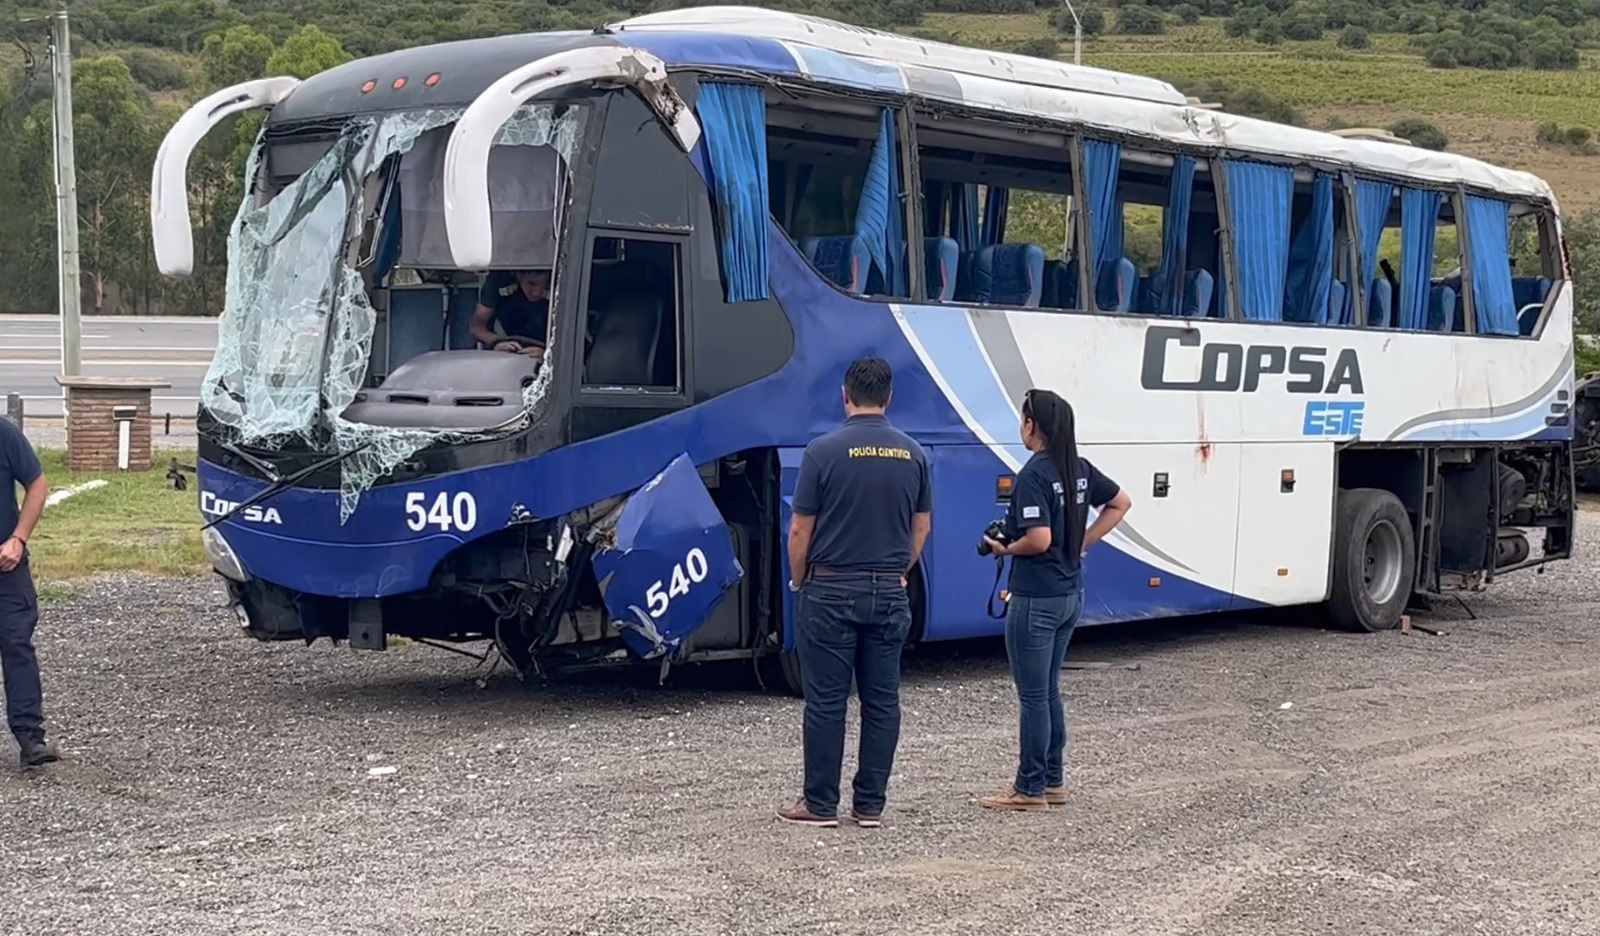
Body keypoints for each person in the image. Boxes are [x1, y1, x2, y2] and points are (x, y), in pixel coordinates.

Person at [778, 357, 932, 829]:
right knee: (882, 701)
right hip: (888, 591)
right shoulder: (914, 454)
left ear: (845, 396)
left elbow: (800, 530)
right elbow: (921, 525)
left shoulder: (822, 452)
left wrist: (799, 580)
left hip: (829, 589)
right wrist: (897, 570)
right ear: (889, 398)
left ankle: (820, 804)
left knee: (826, 701)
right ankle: (870, 805)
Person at [979, 388, 1130, 811]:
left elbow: (1038, 539)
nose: (1020, 426)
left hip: (1036, 596)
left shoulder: (1033, 475)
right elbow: (1120, 502)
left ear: (1032, 426)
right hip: (1070, 593)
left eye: (1022, 419)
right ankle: (1053, 781)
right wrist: (1083, 541)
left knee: (1032, 696)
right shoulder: (1077, 468)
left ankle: (1028, 788)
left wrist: (1003, 548)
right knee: (1048, 691)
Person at [0, 416, 58, 769]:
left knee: (17, 644)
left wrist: (18, 539)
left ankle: (30, 739)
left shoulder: (4, 434)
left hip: (6, 566)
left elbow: (37, 485)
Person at [469, 269, 550, 360]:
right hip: (504, 352)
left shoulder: (561, 281)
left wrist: (548, 352)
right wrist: (496, 343)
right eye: (531, 283)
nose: (537, 292)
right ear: (518, 275)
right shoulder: (499, 279)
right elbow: (477, 326)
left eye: (544, 284)